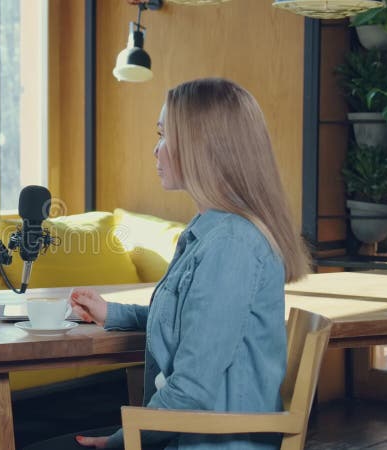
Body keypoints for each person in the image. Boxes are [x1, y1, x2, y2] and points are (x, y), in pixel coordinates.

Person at [70, 78, 311, 449]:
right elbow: (196, 325)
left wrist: (119, 442)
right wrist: (112, 312)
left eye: (165, 135)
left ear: (202, 147)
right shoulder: (212, 232)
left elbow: (191, 390)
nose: (155, 149)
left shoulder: (230, 244)